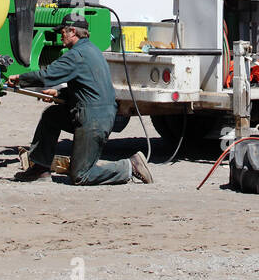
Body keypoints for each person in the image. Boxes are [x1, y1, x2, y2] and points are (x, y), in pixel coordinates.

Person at [8, 15, 152, 185]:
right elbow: (88, 88)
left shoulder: (77, 55)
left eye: (62, 32)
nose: (60, 36)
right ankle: (40, 167)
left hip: (94, 119)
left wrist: (19, 78)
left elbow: (47, 75)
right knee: (52, 116)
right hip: (94, 113)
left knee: (81, 175)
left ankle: (129, 166)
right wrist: (59, 94)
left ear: (73, 32)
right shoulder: (91, 50)